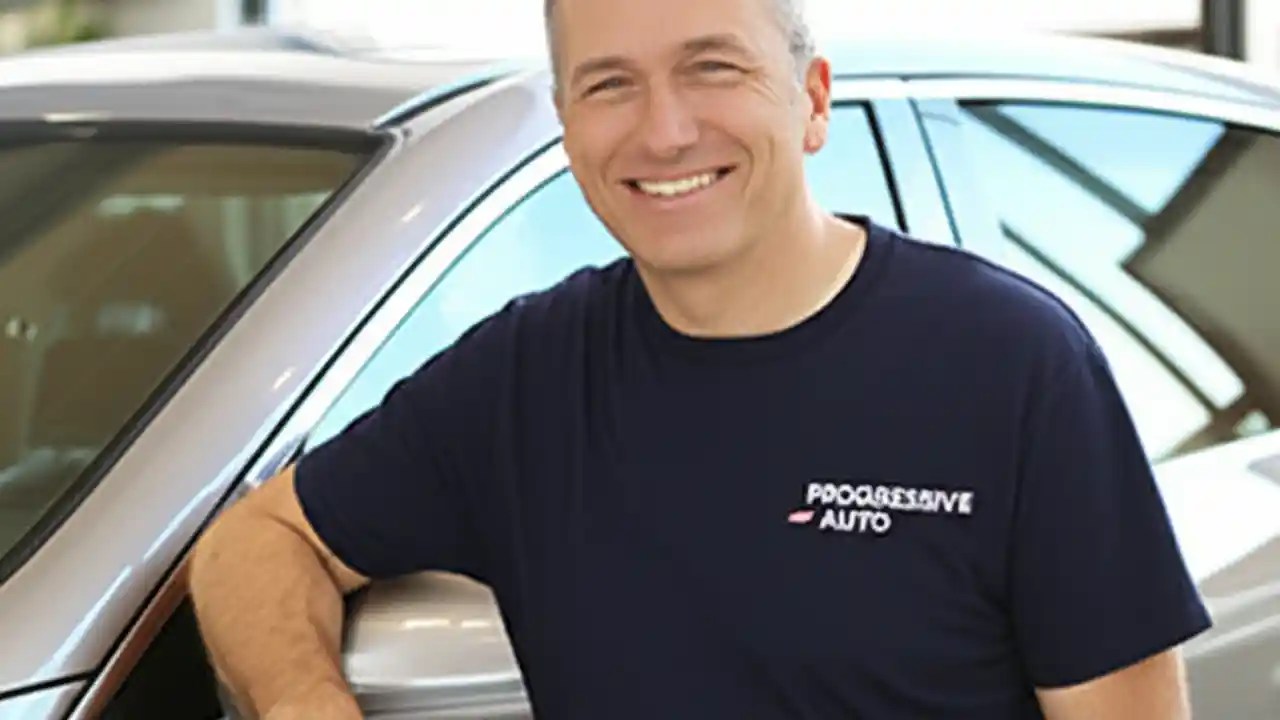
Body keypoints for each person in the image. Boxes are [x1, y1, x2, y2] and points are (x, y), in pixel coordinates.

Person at [188, 0, 1212, 717]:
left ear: (811, 101)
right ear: (567, 123)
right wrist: (303, 703)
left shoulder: (1009, 363)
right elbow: (256, 541)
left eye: (710, 68)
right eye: (609, 85)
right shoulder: (523, 379)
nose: (663, 130)